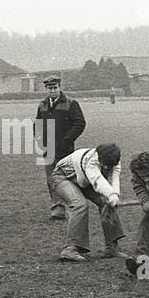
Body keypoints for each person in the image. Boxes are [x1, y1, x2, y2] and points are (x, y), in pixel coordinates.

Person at [49, 143, 125, 262]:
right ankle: (71, 250)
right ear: (99, 157)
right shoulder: (91, 161)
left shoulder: (114, 162)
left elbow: (115, 180)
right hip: (63, 177)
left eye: (109, 166)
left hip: (83, 180)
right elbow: (97, 180)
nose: (106, 168)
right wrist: (111, 195)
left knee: (106, 203)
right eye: (103, 164)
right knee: (80, 205)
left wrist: (114, 195)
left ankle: (112, 248)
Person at [35, 75, 86, 221]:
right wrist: (39, 139)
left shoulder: (71, 103)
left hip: (65, 150)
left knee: (67, 179)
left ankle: (72, 206)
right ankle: (57, 209)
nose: (52, 91)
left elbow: (80, 123)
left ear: (59, 87)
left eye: (55, 88)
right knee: (51, 179)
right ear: (46, 89)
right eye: (49, 88)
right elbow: (37, 124)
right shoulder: (42, 105)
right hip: (48, 149)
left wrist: (68, 139)